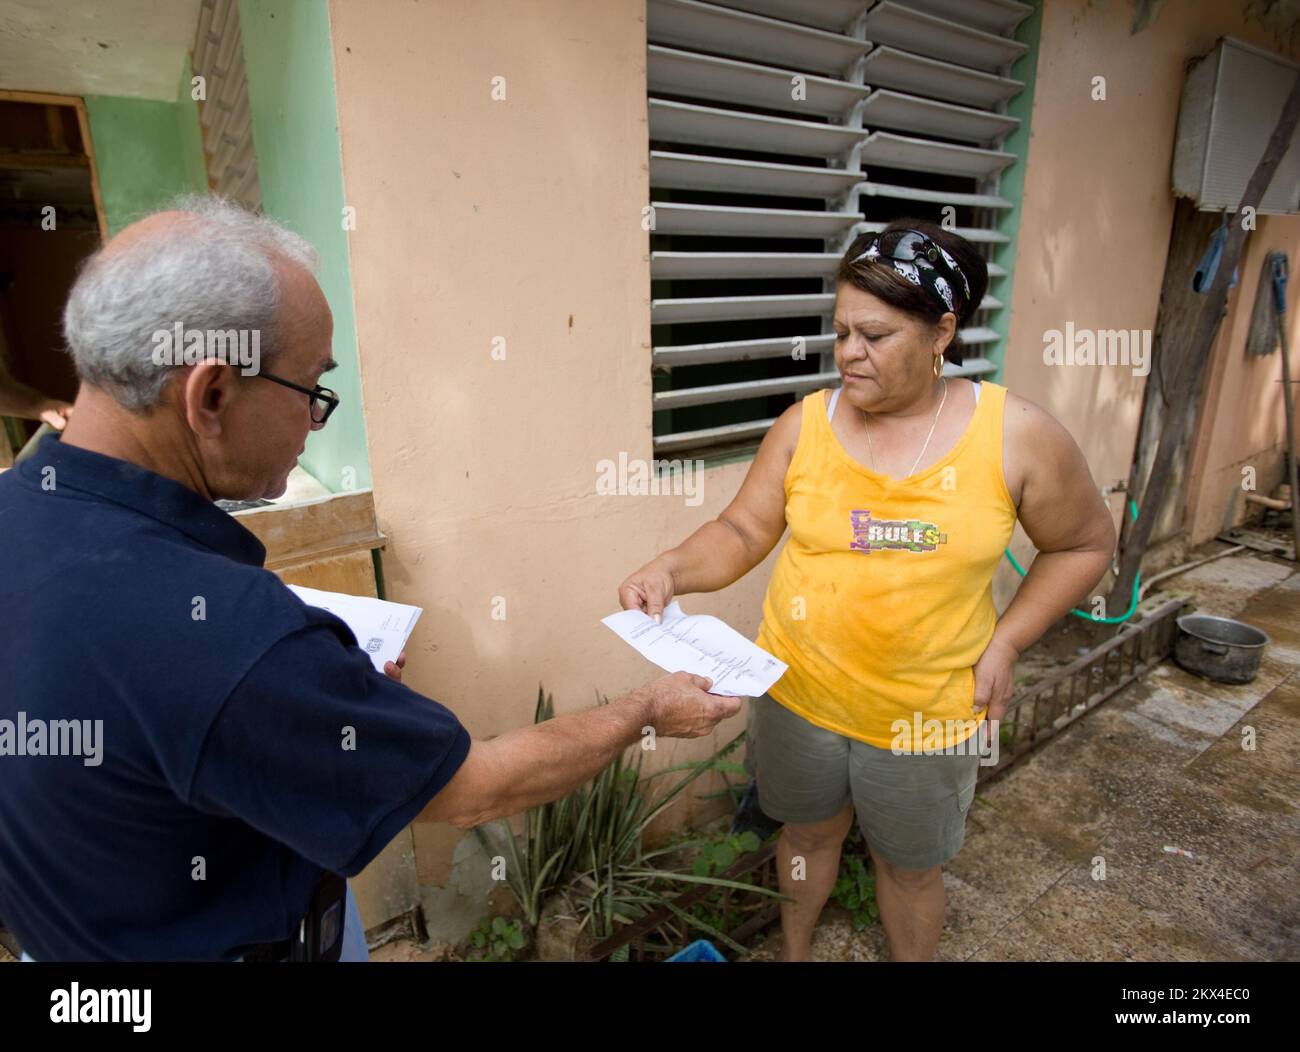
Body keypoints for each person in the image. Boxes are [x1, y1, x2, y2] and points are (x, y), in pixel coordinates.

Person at [0, 195, 736, 962]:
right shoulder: (229, 639)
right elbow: (478, 786)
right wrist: (649, 706)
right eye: (311, 389)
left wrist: (300, 711)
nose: (315, 422)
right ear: (211, 395)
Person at [619, 220, 1116, 962]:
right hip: (800, 696)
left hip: (930, 713)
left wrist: (1007, 641)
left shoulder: (1014, 437)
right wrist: (669, 568)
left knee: (910, 870)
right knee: (805, 834)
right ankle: (795, 953)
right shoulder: (804, 425)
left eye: (875, 336)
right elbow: (743, 530)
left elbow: (1084, 544)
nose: (848, 353)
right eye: (841, 331)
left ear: (942, 331)